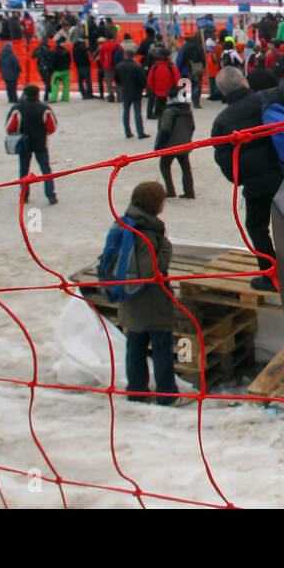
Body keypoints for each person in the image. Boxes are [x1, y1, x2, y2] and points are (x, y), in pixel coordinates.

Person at [211, 67, 284, 290]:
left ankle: (270, 276)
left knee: (256, 227)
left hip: (257, 187)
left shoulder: (222, 122)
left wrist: (243, 179)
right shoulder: (264, 98)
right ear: (243, 82)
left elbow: (225, 162)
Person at [115, 181, 181, 405]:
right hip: (150, 300)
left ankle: (136, 390)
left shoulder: (124, 223)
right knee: (162, 347)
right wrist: (165, 248)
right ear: (155, 204)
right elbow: (151, 270)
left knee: (135, 346)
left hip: (129, 297)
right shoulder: (147, 232)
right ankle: (167, 394)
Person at [5, 84, 58, 206]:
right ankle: (51, 195)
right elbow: (52, 127)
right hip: (40, 143)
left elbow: (10, 127)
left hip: (24, 144)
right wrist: (44, 133)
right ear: (38, 94)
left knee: (24, 170)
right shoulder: (45, 108)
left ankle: (24, 195)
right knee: (46, 170)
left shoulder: (18, 108)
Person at [155, 87, 196, 199]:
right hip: (184, 143)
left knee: (164, 166)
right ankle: (189, 192)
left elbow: (165, 130)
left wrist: (159, 145)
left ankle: (170, 191)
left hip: (171, 145)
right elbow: (192, 126)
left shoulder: (169, 111)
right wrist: (187, 138)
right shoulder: (187, 109)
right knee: (186, 168)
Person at [115, 51, 149, 140]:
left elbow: (117, 79)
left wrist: (122, 85)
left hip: (125, 90)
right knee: (137, 112)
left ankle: (127, 132)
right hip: (136, 91)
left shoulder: (119, 66)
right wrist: (141, 88)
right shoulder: (137, 67)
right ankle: (140, 132)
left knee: (126, 112)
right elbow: (142, 80)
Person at [97, 32, 119, 102]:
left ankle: (111, 96)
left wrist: (103, 64)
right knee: (117, 81)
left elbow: (101, 57)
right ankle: (120, 96)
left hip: (107, 66)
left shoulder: (104, 46)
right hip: (116, 66)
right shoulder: (117, 45)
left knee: (108, 82)